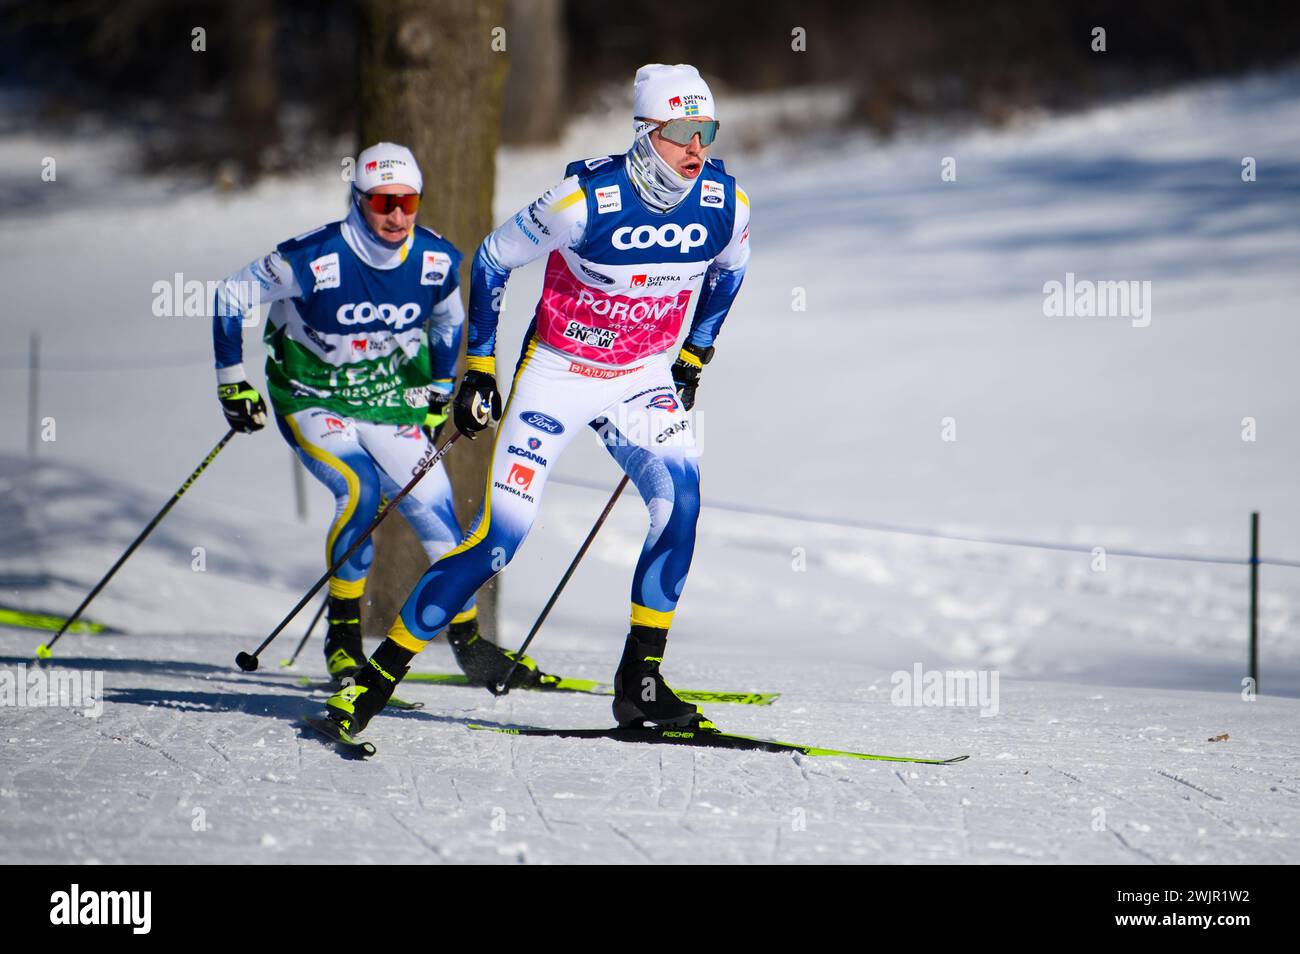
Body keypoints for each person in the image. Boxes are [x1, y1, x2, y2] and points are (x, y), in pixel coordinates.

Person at [325, 64, 751, 736]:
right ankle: (375, 680)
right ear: (644, 134)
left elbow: (731, 271)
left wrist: (695, 354)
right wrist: (480, 370)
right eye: (679, 133)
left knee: (682, 507)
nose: (696, 148)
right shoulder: (585, 200)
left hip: (641, 375)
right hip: (561, 370)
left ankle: (640, 682)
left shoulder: (727, 203)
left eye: (706, 130)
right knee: (502, 536)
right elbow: (492, 259)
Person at [211, 142, 548, 688]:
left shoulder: (435, 259)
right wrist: (233, 382)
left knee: (447, 535)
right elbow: (231, 296)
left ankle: (469, 647)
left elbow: (447, 321)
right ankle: (343, 641)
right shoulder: (314, 258)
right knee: (359, 492)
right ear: (358, 199)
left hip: (391, 404)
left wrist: (441, 388)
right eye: (383, 202)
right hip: (312, 399)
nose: (396, 215)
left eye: (408, 202)